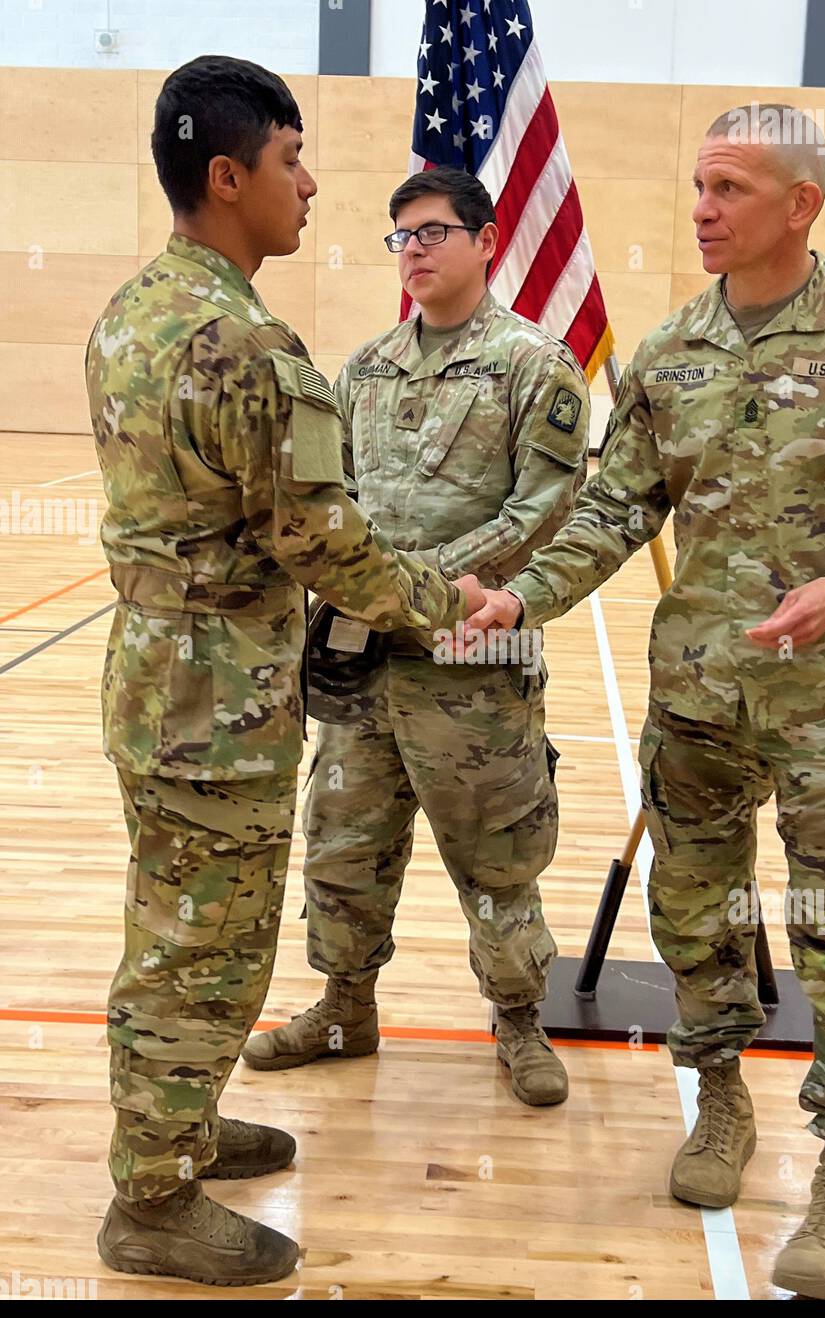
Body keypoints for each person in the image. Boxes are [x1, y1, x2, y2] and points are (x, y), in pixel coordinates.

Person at [465, 104, 825, 1299]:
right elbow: (616, 505)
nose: (702, 209)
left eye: (730, 189)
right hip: (697, 687)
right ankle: (722, 1099)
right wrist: (525, 594)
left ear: (801, 205)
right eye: (697, 186)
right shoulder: (672, 351)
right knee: (693, 903)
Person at [86, 56, 478, 1288]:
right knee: (206, 946)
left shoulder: (132, 311)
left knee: (176, 917)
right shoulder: (243, 341)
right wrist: (437, 603)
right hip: (220, 706)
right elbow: (320, 537)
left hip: (155, 677)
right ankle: (150, 1200)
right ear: (227, 175)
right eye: (291, 162)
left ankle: (180, 1133)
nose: (309, 186)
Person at [242, 167, 591, 1107]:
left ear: (485, 241)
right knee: (343, 849)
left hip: (475, 665)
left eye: (435, 231)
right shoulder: (361, 370)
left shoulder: (533, 365)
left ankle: (518, 1019)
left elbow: (545, 508)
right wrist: (360, 586)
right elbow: (331, 503)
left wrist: (410, 588)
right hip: (362, 666)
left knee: (497, 860)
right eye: (402, 236)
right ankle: (345, 1006)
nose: (417, 250)